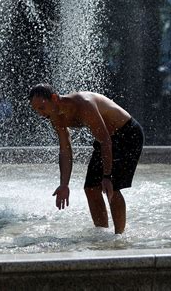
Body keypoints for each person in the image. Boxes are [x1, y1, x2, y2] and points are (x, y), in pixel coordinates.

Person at [28, 83, 144, 234]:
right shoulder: (55, 118)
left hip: (127, 134)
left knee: (112, 187)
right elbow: (65, 150)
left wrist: (107, 175)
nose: (40, 114)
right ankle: (101, 234)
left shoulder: (83, 104)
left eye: (42, 108)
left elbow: (105, 141)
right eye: (36, 110)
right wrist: (64, 185)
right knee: (90, 189)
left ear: (54, 98)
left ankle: (119, 237)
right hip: (106, 139)